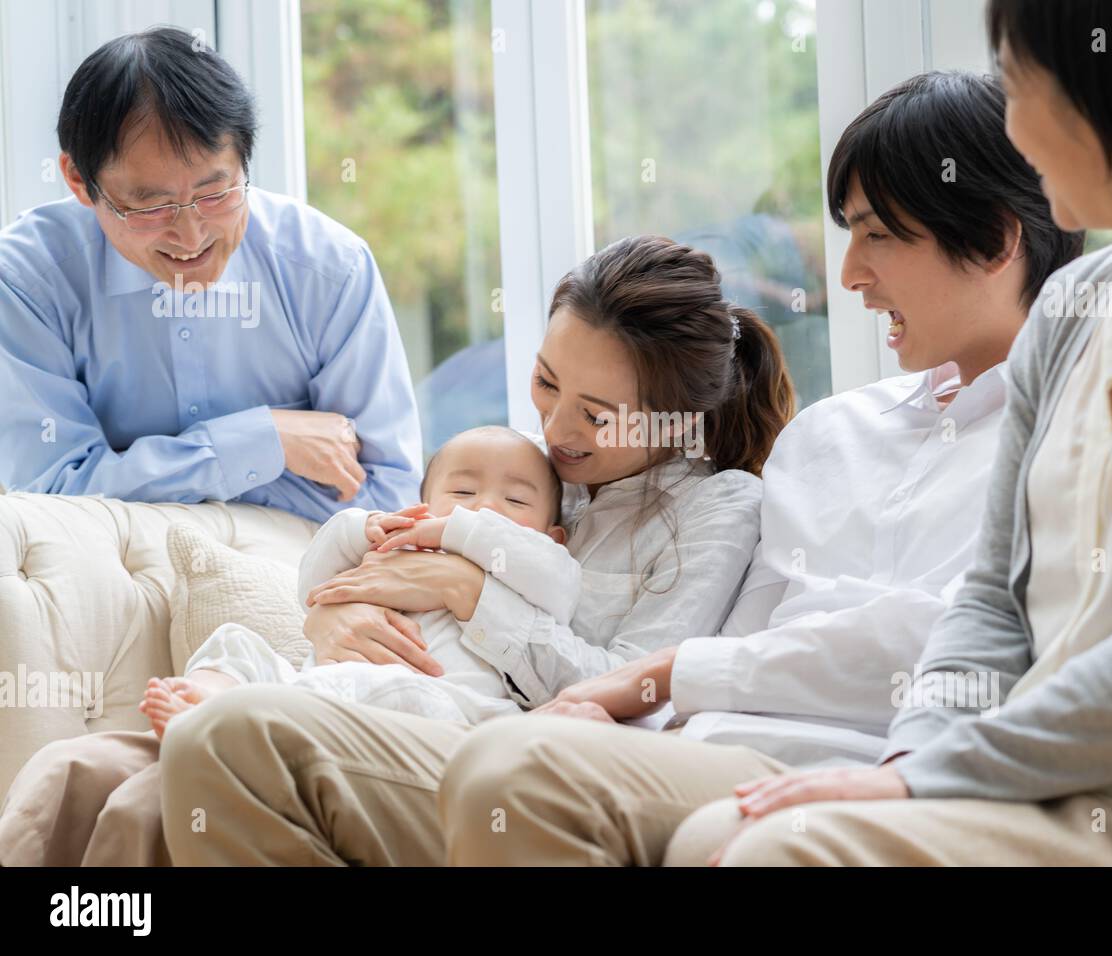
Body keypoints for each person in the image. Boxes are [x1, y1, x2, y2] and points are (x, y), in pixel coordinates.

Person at [165, 71, 1081, 866]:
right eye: (847, 234)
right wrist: (355, 614)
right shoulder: (828, 436)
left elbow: (951, 642)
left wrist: (645, 680)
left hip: (809, 754)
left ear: (998, 241)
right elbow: (736, 638)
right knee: (177, 766)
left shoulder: (1074, 430)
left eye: (879, 235)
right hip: (679, 741)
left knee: (465, 765)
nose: (848, 275)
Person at [664, 0, 1112, 867]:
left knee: (769, 856)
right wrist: (911, 759)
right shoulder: (1076, 308)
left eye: (1024, 87)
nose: (1013, 129)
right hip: (1033, 782)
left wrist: (925, 779)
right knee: (718, 835)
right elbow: (992, 600)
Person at [0, 233, 794, 865]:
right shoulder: (537, 470)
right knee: (79, 774)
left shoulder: (719, 507)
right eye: (547, 382)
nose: (554, 431)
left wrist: (468, 594)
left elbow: (635, 695)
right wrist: (329, 622)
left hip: (490, 736)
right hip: (370, 689)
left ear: (672, 418)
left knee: (151, 802)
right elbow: (376, 558)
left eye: (595, 413)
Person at [0, 26, 421, 521]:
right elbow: (49, 494)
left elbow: (384, 498)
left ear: (244, 160)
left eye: (215, 194)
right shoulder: (27, 282)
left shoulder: (328, 269)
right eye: (150, 205)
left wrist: (138, 476)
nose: (191, 234)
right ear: (78, 180)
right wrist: (262, 444)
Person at [140, 426, 577, 736]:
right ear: (421, 506)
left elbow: (556, 580)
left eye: (515, 499)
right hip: (326, 685)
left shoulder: (537, 570)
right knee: (236, 643)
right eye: (462, 494)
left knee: (387, 689)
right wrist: (359, 528)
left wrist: (462, 529)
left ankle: (252, 721)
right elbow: (314, 588)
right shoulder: (405, 549)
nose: (484, 506)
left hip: (450, 706)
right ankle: (203, 701)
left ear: (553, 535)